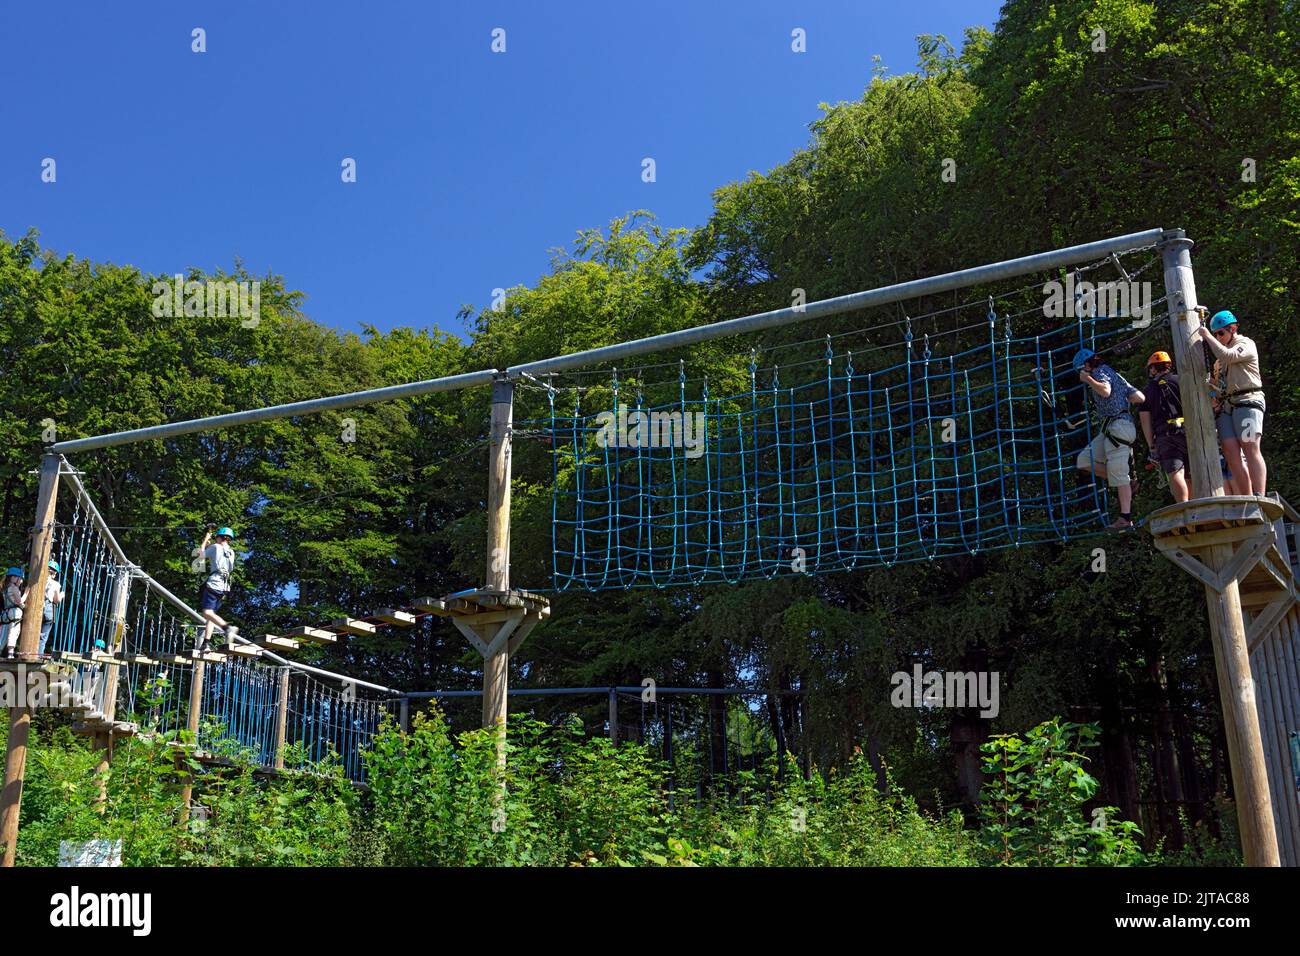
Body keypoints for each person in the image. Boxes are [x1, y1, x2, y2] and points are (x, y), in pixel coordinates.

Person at [1072, 348, 1146, 530]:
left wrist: (1088, 379)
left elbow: (1105, 391)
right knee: (1083, 461)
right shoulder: (1117, 376)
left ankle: (1125, 518)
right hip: (1113, 428)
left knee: (1119, 474)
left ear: (1086, 366)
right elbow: (1139, 397)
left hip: (1118, 427)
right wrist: (1121, 397)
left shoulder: (1098, 372)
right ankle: (1127, 482)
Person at [1197, 310, 1266, 496]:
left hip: (1247, 400)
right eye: (1216, 333)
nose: (1218, 337)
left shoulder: (1245, 344)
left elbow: (1230, 355)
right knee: (1231, 453)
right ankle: (1247, 496)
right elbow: (1219, 387)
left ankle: (1259, 494)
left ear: (1233, 329)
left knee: (1250, 447)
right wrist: (1209, 387)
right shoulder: (1219, 362)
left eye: (1221, 333)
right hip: (1228, 406)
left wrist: (1206, 336)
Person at [1138, 351, 1189, 503]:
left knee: (1176, 472)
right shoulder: (1182, 381)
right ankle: (1195, 508)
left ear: (1153, 369)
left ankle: (1185, 507)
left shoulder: (1147, 392)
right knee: (1190, 475)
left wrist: (1152, 447)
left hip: (1166, 436)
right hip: (1189, 432)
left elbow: (1145, 421)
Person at [196, 525, 239, 652]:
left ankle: (227, 629)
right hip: (225, 586)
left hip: (214, 583)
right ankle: (206, 643)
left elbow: (201, 555)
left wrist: (205, 540)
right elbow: (216, 558)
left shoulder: (215, 547)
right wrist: (210, 546)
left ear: (219, 538)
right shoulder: (231, 552)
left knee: (207, 613)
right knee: (212, 615)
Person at [39, 559, 65, 657]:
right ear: (54, 574)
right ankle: (38, 655)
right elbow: (56, 600)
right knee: (43, 636)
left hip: (37, 607)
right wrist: (62, 595)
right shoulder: (56, 584)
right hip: (48, 609)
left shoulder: (39, 579)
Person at [1, 567, 28, 659]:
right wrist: (26, 593)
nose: (21, 581)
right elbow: (20, 602)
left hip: (6, 613)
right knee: (14, 632)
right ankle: (10, 654)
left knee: (4, 634)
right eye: (20, 578)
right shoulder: (14, 588)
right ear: (14, 577)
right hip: (14, 613)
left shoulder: (6, 587)